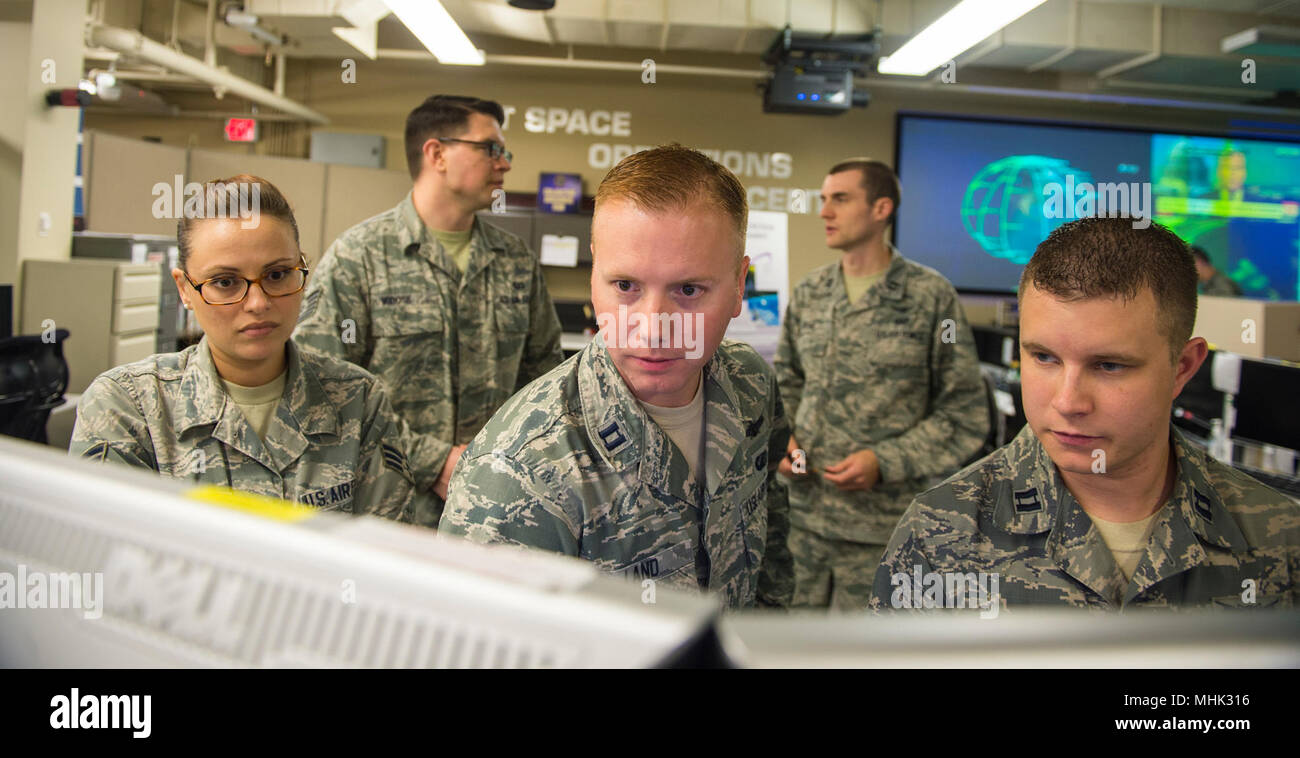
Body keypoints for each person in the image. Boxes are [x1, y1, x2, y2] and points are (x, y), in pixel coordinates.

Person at [871, 216, 1299, 611]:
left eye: (1109, 365)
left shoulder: (1279, 539)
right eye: (1043, 357)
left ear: (1182, 368)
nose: (1068, 402)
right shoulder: (939, 533)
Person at [439, 145, 794, 609]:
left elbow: (771, 524)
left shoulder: (749, 384)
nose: (652, 326)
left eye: (688, 290)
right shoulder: (518, 471)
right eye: (626, 286)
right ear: (594, 277)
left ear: (739, 287)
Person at [71, 175, 430, 520]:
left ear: (301, 268)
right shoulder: (129, 408)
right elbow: (112, 562)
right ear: (184, 289)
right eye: (225, 282)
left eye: (276, 275)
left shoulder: (358, 400)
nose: (257, 303)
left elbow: (380, 561)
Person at [293, 94, 564, 525]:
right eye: (490, 148)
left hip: (499, 505)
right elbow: (320, 388)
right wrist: (434, 461)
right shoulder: (358, 257)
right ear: (437, 153)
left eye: (504, 151)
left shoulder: (515, 261)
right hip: (391, 509)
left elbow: (546, 379)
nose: (505, 163)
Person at [774, 158, 988, 610]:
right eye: (823, 200)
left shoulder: (930, 297)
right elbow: (787, 384)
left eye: (840, 199)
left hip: (883, 529)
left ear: (881, 208)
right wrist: (782, 439)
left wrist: (884, 460)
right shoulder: (810, 293)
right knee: (784, 649)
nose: (824, 212)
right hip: (802, 520)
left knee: (865, 656)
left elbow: (964, 414)